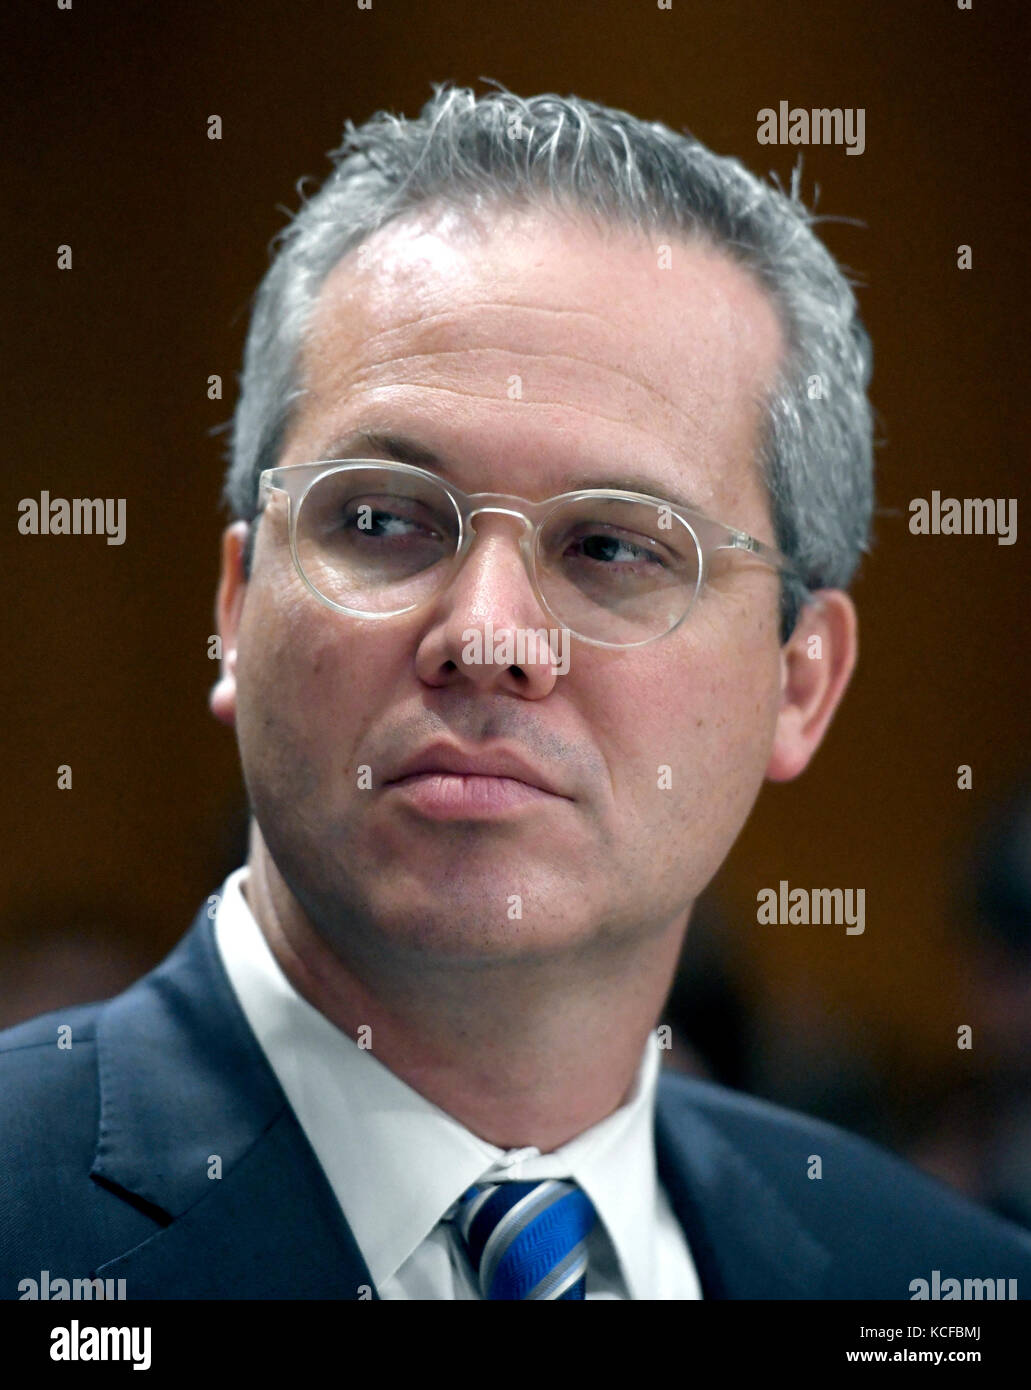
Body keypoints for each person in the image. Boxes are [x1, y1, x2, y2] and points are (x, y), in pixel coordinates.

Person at [2, 83, 1029, 1301]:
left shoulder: (940, 1285)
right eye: (380, 519)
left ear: (799, 684)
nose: (486, 636)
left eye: (611, 548)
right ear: (235, 607)